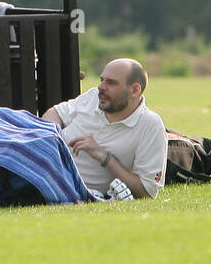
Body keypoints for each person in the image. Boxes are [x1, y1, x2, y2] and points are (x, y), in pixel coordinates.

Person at [42, 58, 168, 198]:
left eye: (111, 83)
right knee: (15, 121)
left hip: (62, 185)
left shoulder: (150, 125)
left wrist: (103, 156)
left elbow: (147, 192)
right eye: (102, 80)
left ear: (135, 91)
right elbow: (54, 113)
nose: (101, 87)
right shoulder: (93, 97)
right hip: (42, 162)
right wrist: (51, 142)